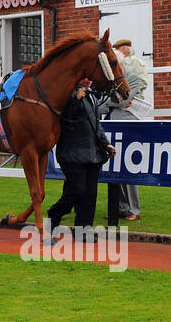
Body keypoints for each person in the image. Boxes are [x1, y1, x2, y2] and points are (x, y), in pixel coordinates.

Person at [47, 79, 115, 237]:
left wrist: (106, 144)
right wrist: (74, 100)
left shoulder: (92, 96)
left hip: (92, 154)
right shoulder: (67, 93)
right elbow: (63, 120)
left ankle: (84, 231)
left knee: (90, 194)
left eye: (90, 77)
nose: (89, 80)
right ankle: (54, 214)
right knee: (77, 190)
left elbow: (96, 125)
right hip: (71, 152)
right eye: (85, 77)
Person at [103, 39, 147, 221]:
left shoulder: (133, 79)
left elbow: (121, 100)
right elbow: (111, 101)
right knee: (113, 167)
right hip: (112, 124)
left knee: (127, 167)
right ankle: (120, 207)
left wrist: (105, 104)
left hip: (127, 124)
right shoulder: (112, 80)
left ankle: (134, 209)